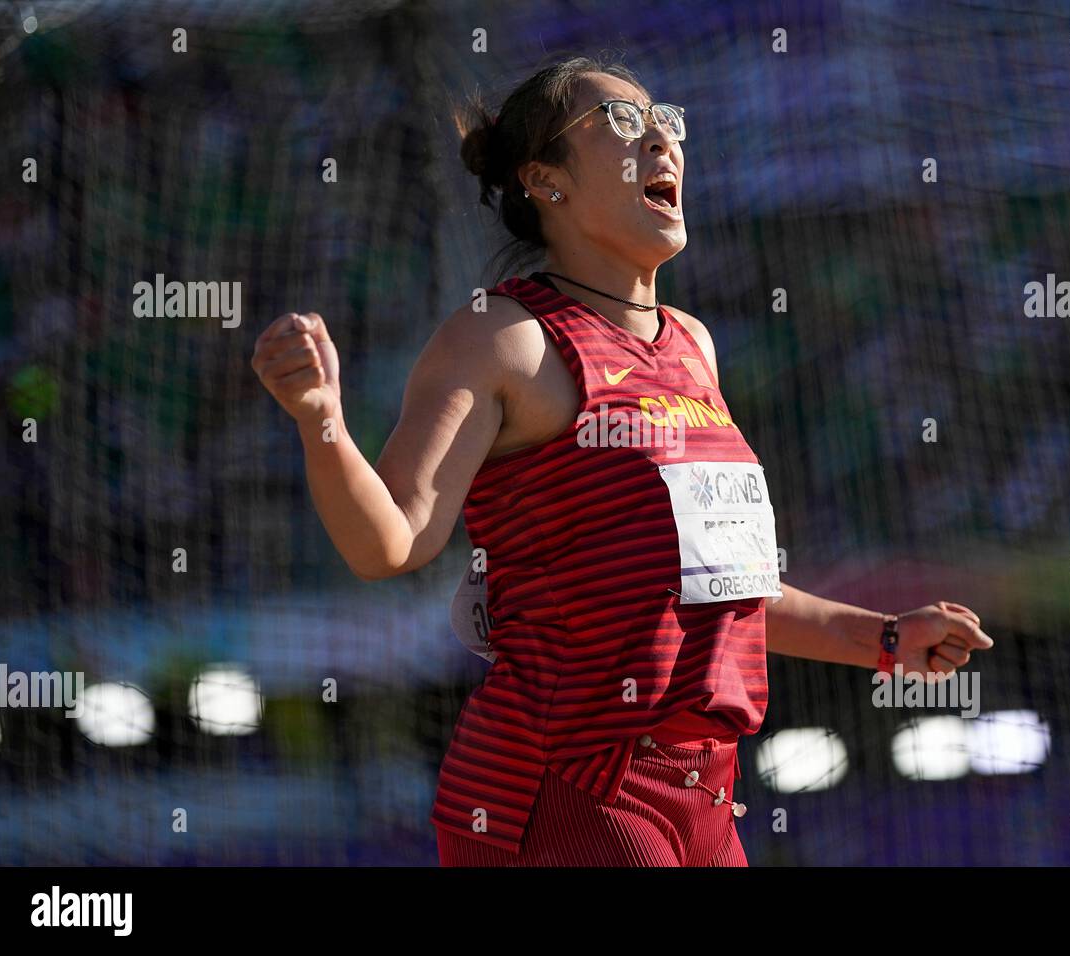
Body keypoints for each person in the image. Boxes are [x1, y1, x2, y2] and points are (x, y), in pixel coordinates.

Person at [250, 54, 994, 866]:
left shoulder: (694, 345)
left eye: (667, 121)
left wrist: (884, 637)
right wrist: (322, 420)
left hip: (704, 789)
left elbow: (726, 586)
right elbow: (387, 541)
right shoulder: (502, 337)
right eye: (626, 125)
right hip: (564, 776)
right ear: (547, 180)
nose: (664, 141)